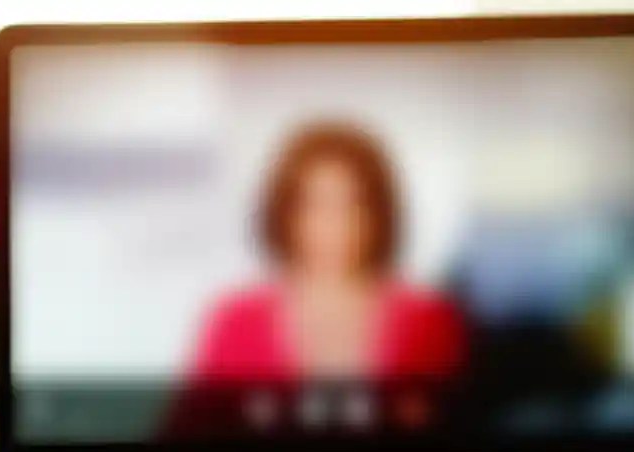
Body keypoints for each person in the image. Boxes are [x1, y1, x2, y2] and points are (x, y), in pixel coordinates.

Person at [187, 122, 465, 385]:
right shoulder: (235, 321)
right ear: (285, 213)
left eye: (353, 205)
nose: (336, 225)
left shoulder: (428, 322)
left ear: (381, 213)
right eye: (316, 206)